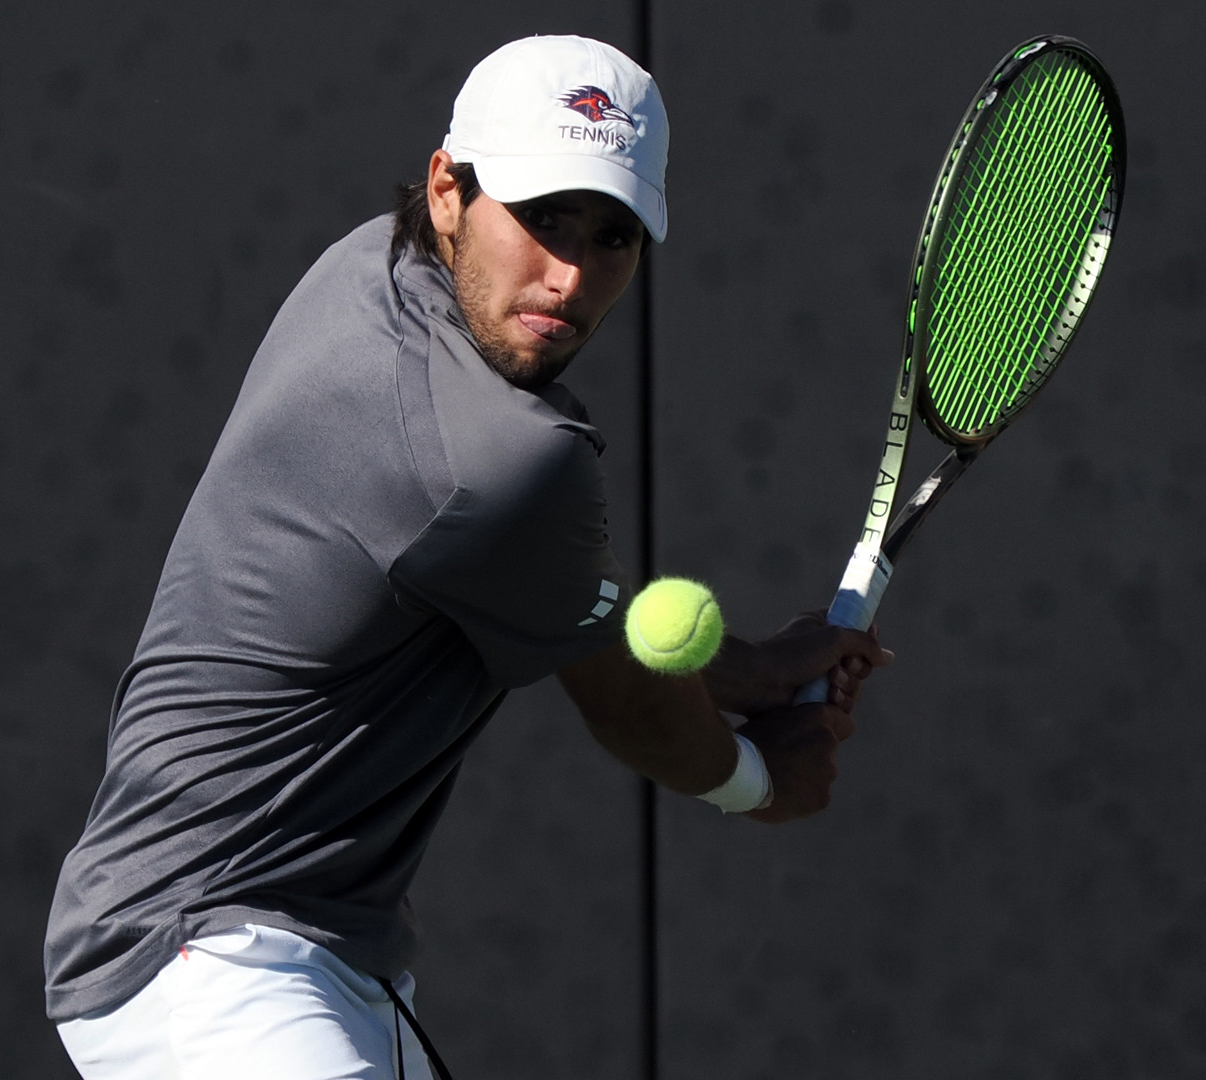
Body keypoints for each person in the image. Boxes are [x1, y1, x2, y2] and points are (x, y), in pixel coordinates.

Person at [43, 34, 888, 1079]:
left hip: (306, 954)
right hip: (209, 965)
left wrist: (753, 666)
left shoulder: (369, 264)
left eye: (613, 235)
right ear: (449, 188)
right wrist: (761, 780)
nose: (570, 274)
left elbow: (561, 603)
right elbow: (626, 702)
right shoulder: (501, 460)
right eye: (541, 218)